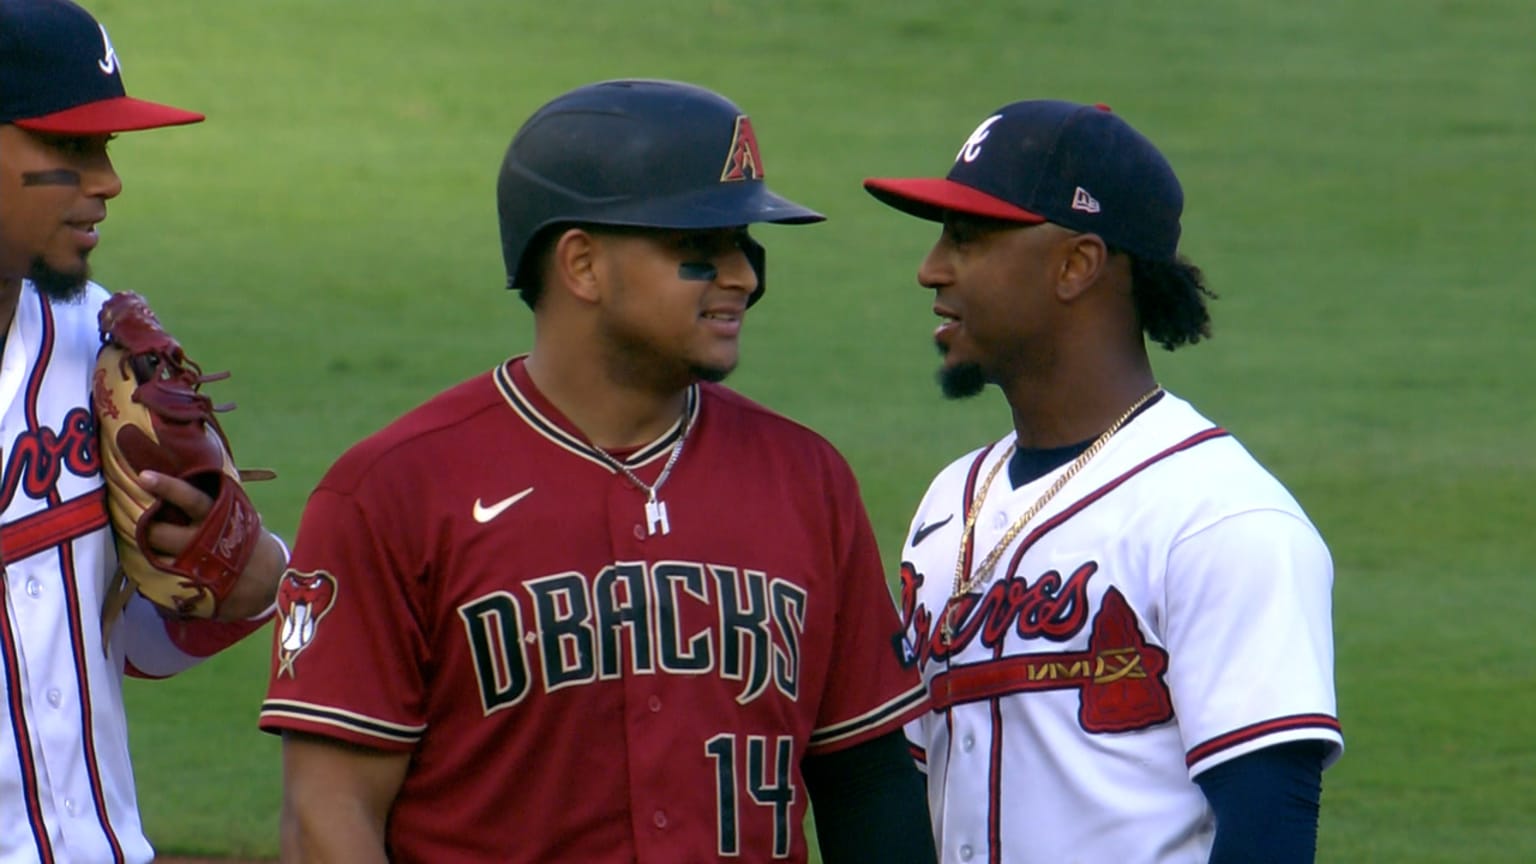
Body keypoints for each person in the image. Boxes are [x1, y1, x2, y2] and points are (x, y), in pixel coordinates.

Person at [259, 78, 936, 864]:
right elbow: (328, 815)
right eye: (701, 247)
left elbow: (868, 783)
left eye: (747, 246)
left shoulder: (806, 480)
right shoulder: (395, 492)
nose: (744, 277)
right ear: (581, 264)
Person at [862, 100, 1344, 863]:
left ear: (1077, 265)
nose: (932, 268)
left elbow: (1269, 824)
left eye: (967, 237)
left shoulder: (1218, 515)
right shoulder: (949, 503)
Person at [0, 1, 289, 861]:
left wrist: (248, 576)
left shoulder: (101, 349)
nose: (108, 181)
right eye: (71, 147)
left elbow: (118, 647)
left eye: (108, 148)